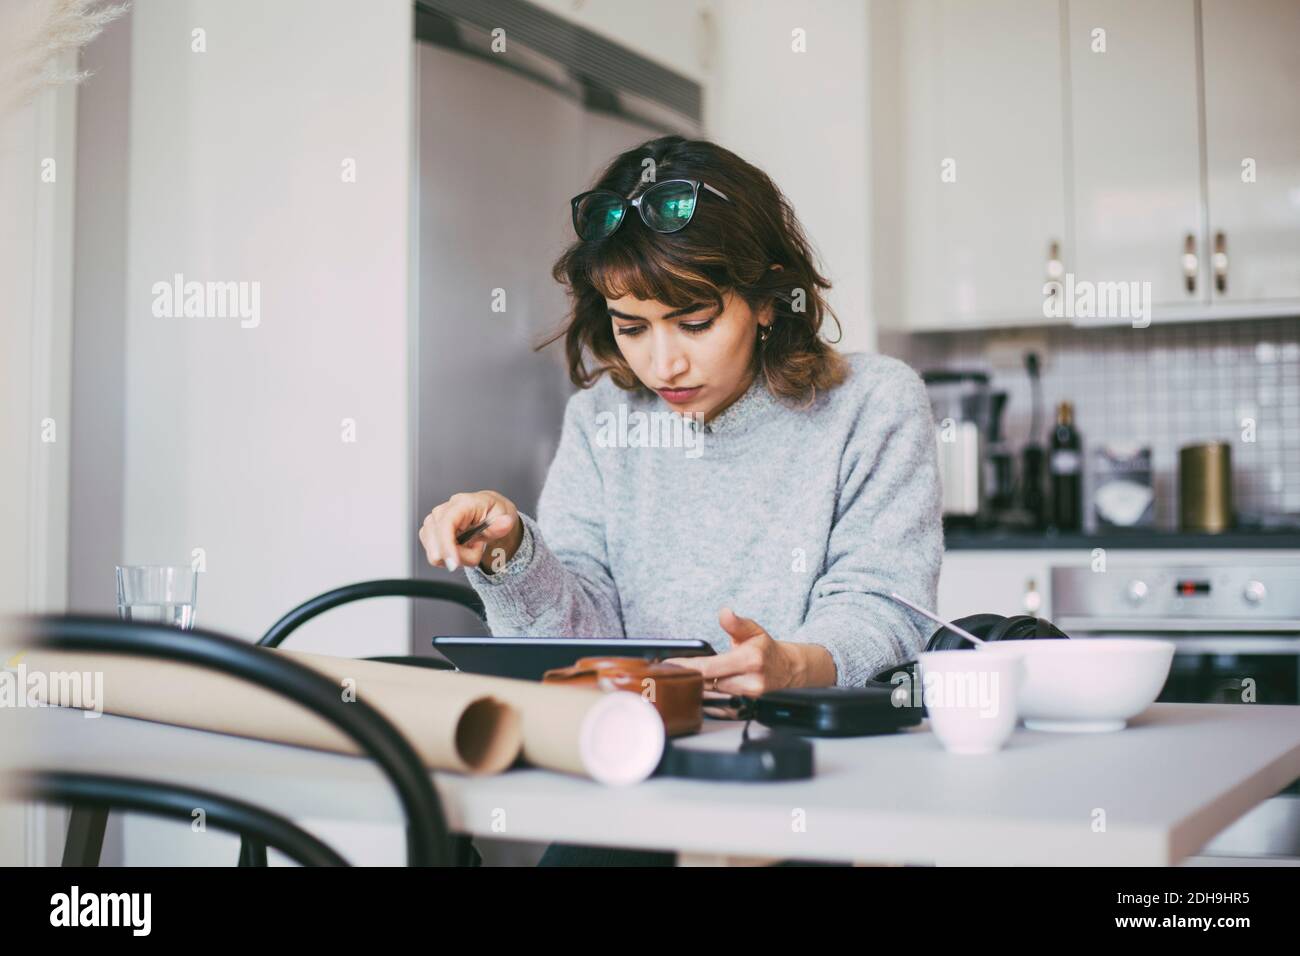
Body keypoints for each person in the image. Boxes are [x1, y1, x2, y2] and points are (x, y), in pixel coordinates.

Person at [418, 136, 943, 866]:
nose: (662, 363)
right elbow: (580, 649)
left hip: (807, 779)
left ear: (766, 299)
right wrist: (513, 558)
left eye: (694, 322)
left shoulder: (872, 404)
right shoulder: (603, 421)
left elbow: (884, 607)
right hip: (629, 777)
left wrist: (793, 665)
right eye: (631, 328)